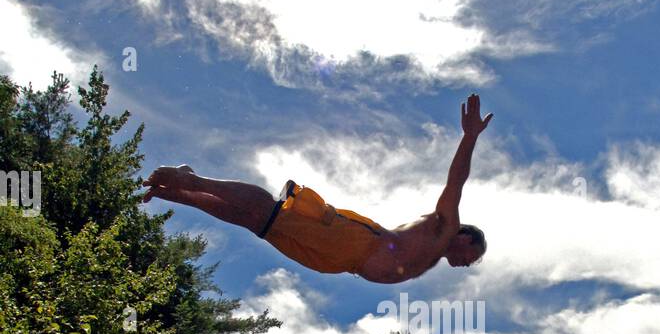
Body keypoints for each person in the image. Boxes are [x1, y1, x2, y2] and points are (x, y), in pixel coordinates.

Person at [142, 94, 493, 284]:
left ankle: (178, 192)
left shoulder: (434, 256)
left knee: (258, 224)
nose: (466, 264)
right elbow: (455, 183)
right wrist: (469, 138)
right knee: (270, 212)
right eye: (471, 257)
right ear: (464, 237)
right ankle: (194, 181)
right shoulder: (443, 225)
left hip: (339, 262)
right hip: (353, 242)